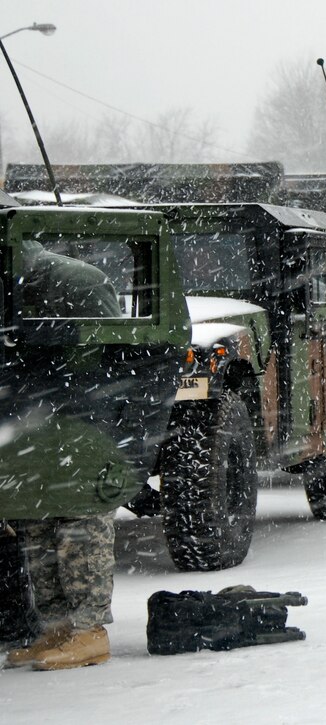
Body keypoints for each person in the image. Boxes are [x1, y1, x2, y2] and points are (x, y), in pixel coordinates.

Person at [5, 241, 121, 671]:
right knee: (37, 521)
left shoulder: (76, 280)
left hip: (78, 421)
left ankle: (90, 632)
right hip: (34, 419)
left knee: (79, 523)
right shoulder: (20, 280)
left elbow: (110, 359)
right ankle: (57, 628)